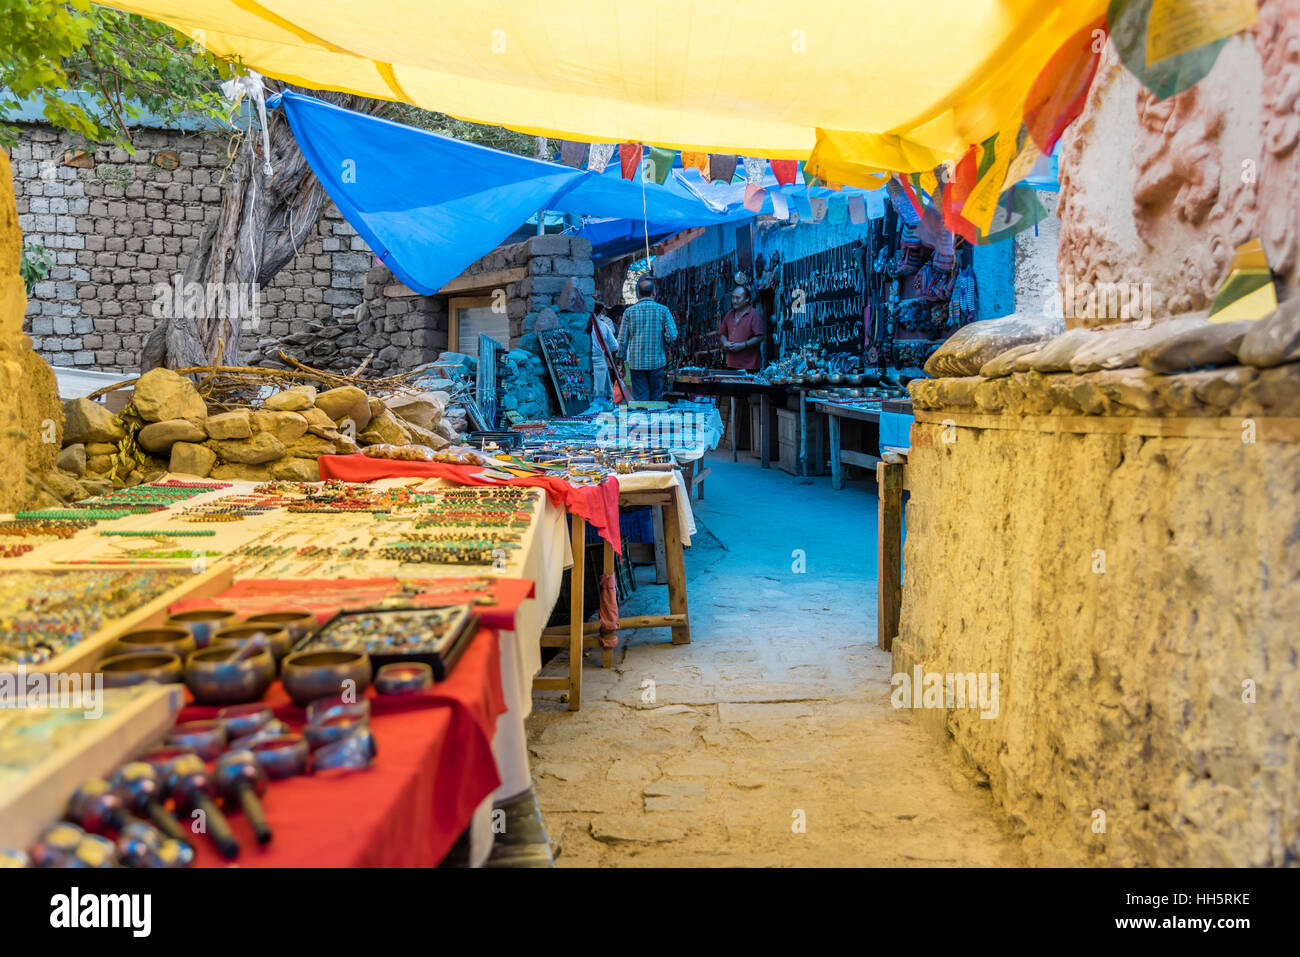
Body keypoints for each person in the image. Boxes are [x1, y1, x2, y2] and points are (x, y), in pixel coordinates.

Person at [618, 277, 677, 400]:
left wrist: (620, 361)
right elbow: (672, 336)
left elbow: (622, 340)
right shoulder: (663, 311)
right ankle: (655, 418)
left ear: (638, 293)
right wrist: (664, 341)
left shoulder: (629, 312)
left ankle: (642, 417)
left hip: (636, 364)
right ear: (654, 292)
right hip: (657, 362)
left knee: (641, 400)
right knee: (656, 399)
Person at [719, 285, 766, 371]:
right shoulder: (729, 314)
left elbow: (760, 337)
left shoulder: (754, 315)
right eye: (733, 298)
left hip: (750, 365)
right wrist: (725, 342)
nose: (734, 301)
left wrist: (743, 345)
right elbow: (722, 333)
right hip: (732, 363)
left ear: (747, 299)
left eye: (738, 298)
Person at [589, 302, 619, 401]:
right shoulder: (603, 326)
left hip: (585, 361)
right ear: (600, 312)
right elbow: (614, 346)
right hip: (600, 361)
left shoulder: (581, 325)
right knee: (600, 389)